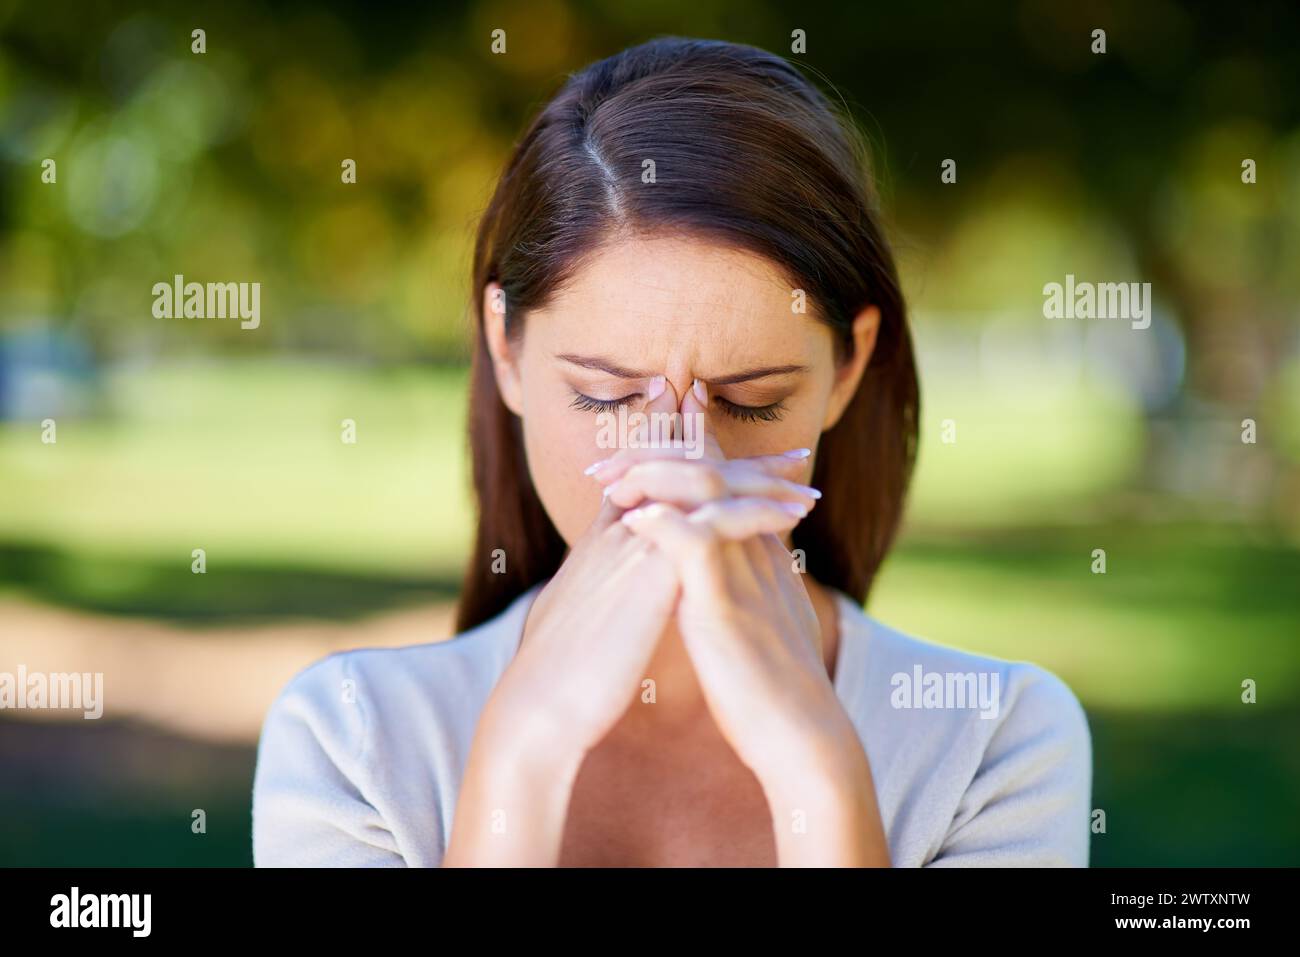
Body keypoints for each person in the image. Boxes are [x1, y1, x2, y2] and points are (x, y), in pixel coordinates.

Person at [251, 36, 1092, 867]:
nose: (680, 466)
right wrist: (521, 754)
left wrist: (818, 768)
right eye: (606, 395)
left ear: (848, 369)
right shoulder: (354, 742)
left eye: (751, 400)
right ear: (505, 351)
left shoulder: (992, 741)